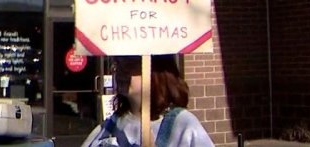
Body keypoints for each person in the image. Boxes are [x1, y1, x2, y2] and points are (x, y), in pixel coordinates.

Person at [79, 56, 213, 147]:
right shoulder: (109, 127)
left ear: (156, 70)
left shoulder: (183, 125)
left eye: (131, 65)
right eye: (118, 64)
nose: (121, 72)